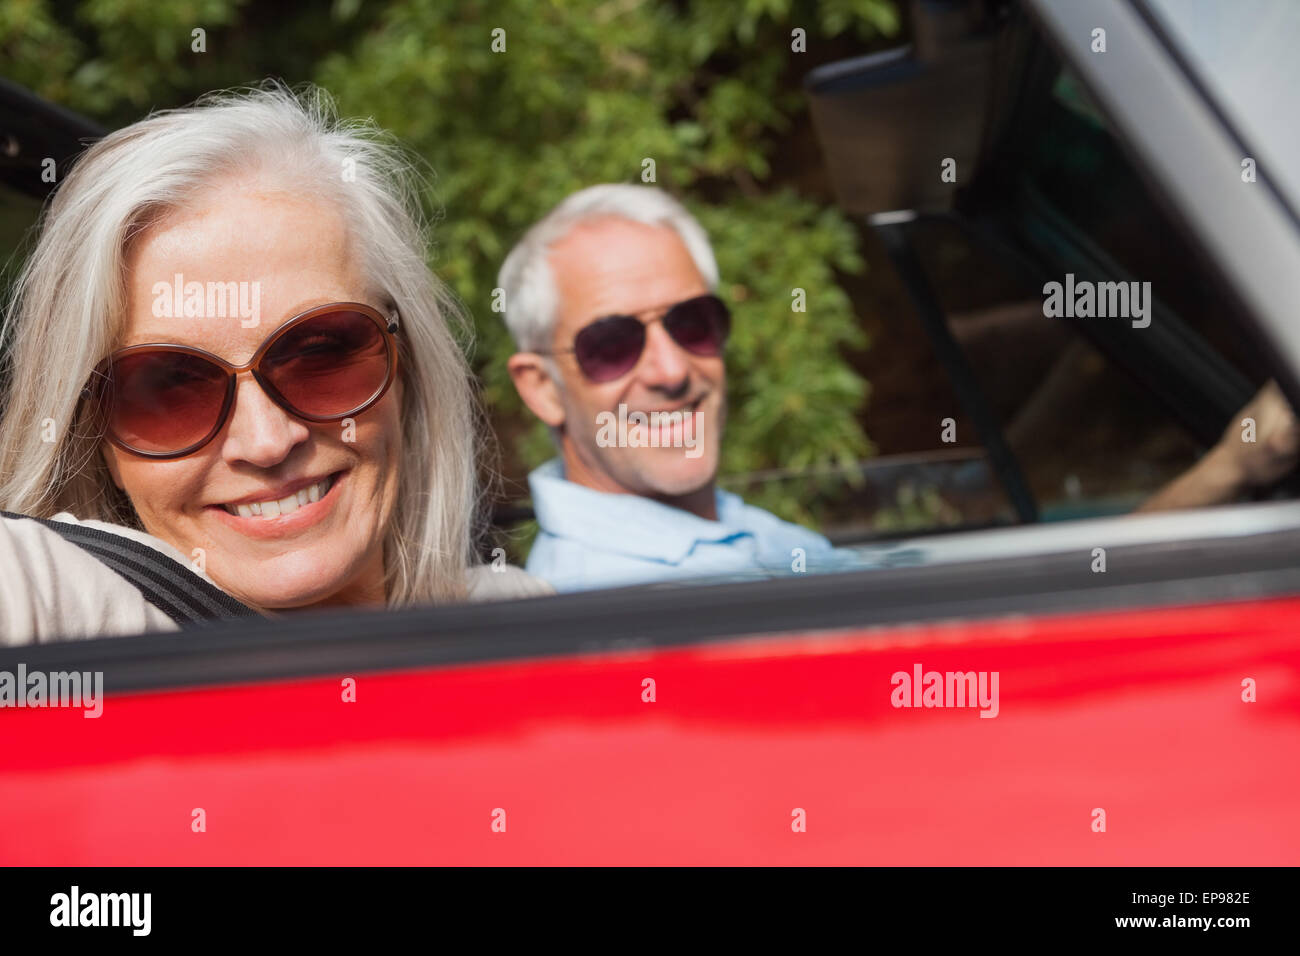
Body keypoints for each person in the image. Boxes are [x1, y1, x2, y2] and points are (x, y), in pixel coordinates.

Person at [499, 184, 1300, 593]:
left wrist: (1232, 468)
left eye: (695, 323)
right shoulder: (620, 596)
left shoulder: (713, 536)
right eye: (612, 344)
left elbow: (981, 613)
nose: (672, 370)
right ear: (540, 388)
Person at [0, 83, 548, 645]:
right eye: (170, 391)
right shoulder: (68, 606)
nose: (267, 442)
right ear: (95, 438)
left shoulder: (521, 617)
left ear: (403, 361)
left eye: (320, 355)